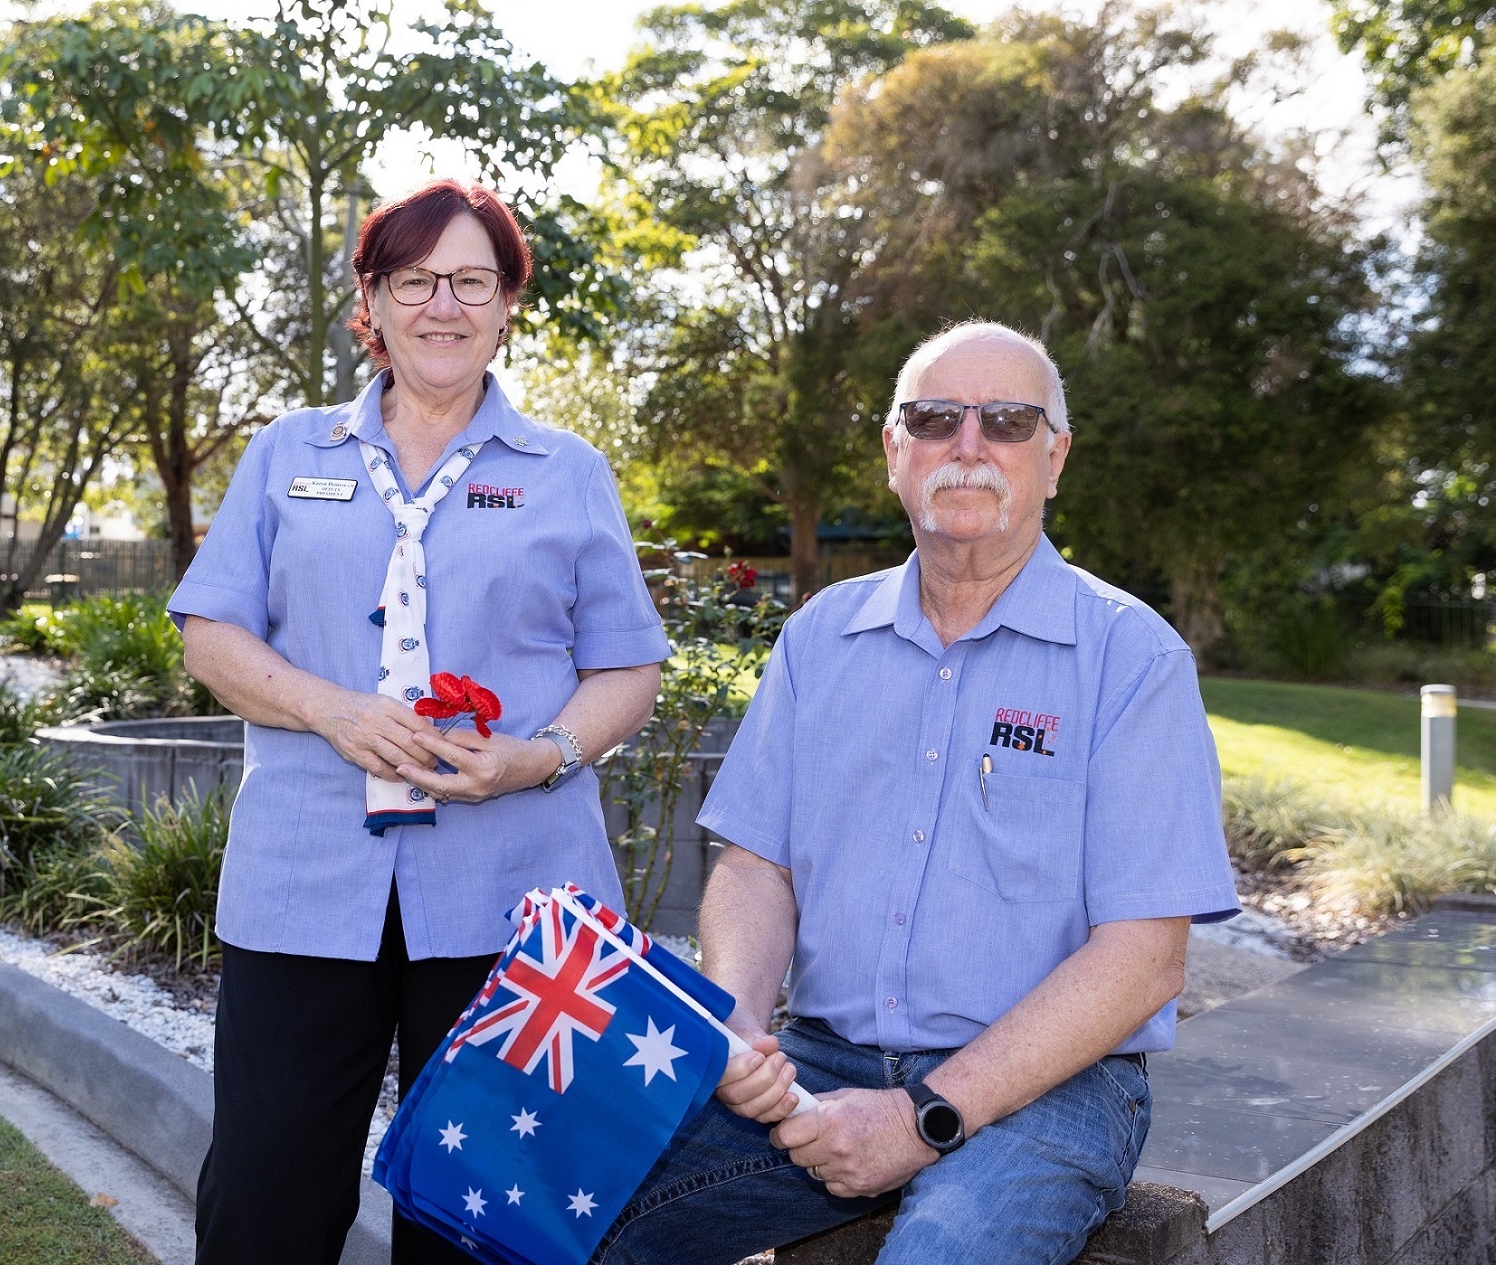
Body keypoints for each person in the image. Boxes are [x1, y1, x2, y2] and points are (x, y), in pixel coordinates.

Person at [595, 321, 1240, 1265]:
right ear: (897, 453)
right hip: (819, 1064)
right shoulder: (822, 637)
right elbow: (755, 864)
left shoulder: (1131, 659)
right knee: (579, 1206)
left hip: (1052, 1088)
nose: (968, 445)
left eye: (1009, 421)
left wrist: (924, 1114)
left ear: (1055, 458)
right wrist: (733, 1032)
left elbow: (1144, 961)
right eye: (935, 419)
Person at [169, 179, 669, 1265]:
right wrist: (332, 710)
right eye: (415, 279)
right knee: (264, 1199)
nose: (444, 305)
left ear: (505, 307)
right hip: (305, 888)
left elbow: (628, 666)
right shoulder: (287, 455)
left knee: (480, 1222)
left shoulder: (567, 474)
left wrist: (537, 758)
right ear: (373, 300)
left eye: (472, 282)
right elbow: (210, 632)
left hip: (516, 903)